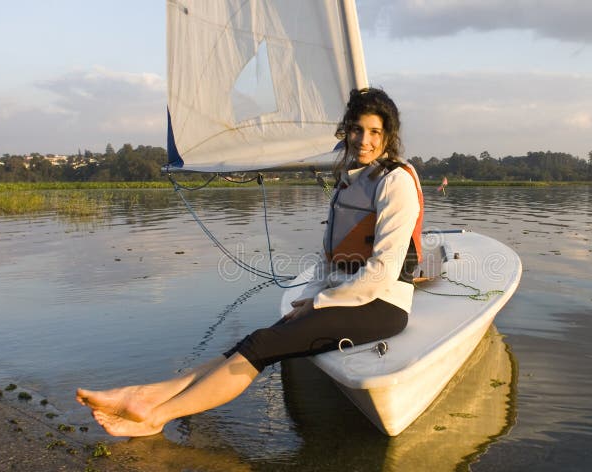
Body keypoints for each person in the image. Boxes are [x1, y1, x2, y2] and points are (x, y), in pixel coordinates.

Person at [76, 88, 425, 437]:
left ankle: (156, 417)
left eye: (375, 132)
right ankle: (145, 396)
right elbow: (327, 259)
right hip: (347, 296)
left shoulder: (396, 182)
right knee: (256, 339)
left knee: (263, 346)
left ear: (388, 136)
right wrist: (311, 298)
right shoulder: (349, 180)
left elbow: (382, 273)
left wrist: (321, 302)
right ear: (346, 130)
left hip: (383, 305)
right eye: (357, 130)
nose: (364, 140)